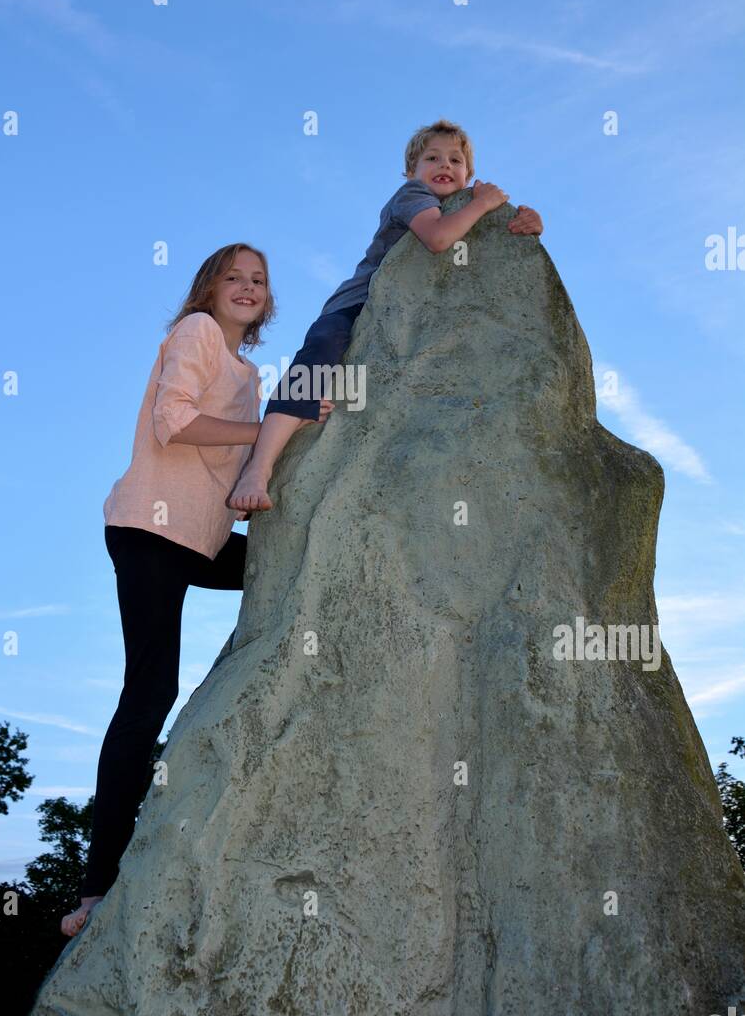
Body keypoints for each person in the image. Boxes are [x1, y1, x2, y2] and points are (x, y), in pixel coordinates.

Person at [61, 242, 333, 937]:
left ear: (268, 300)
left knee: (300, 563)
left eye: (259, 280)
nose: (247, 286)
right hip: (151, 530)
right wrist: (272, 425)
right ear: (208, 288)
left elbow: (234, 466)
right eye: (233, 276)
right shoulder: (198, 332)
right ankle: (94, 890)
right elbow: (174, 421)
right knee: (149, 691)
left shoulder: (247, 371)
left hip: (200, 539)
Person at [226, 118, 544, 514]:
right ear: (411, 172)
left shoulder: (465, 208)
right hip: (354, 309)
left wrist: (525, 224)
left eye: (455, 160)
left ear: (469, 174)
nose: (444, 165)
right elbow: (438, 237)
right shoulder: (412, 195)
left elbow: (498, 259)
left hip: (412, 324)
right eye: (432, 158)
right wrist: (483, 204)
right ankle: (257, 470)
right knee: (314, 368)